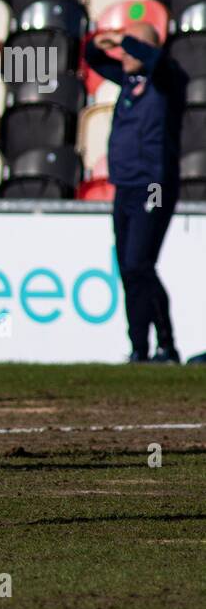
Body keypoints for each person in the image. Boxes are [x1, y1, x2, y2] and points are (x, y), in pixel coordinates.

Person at [86, 22, 185, 364]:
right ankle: (140, 349)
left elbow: (155, 58)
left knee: (139, 263)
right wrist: (100, 41)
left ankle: (167, 345)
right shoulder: (130, 80)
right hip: (125, 186)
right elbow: (91, 57)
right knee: (129, 270)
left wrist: (124, 40)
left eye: (131, 47)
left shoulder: (169, 79)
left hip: (154, 185)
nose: (123, 53)